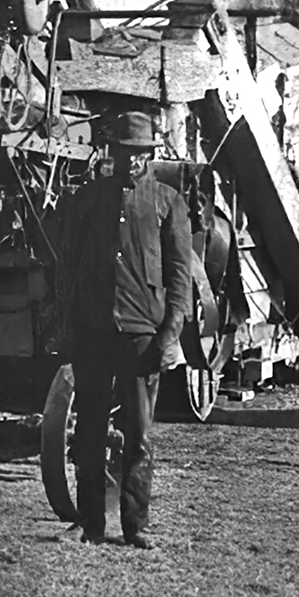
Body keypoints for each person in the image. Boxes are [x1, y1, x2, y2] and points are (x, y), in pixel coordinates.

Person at [55, 110, 194, 549]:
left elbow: (179, 277)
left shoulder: (168, 202)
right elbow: (68, 268)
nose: (132, 161)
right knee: (90, 430)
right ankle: (90, 523)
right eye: (125, 153)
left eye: (140, 155)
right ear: (113, 153)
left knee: (139, 434)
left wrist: (169, 335)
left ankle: (137, 525)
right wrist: (68, 323)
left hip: (142, 334)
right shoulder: (88, 199)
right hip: (93, 330)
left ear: (150, 157)